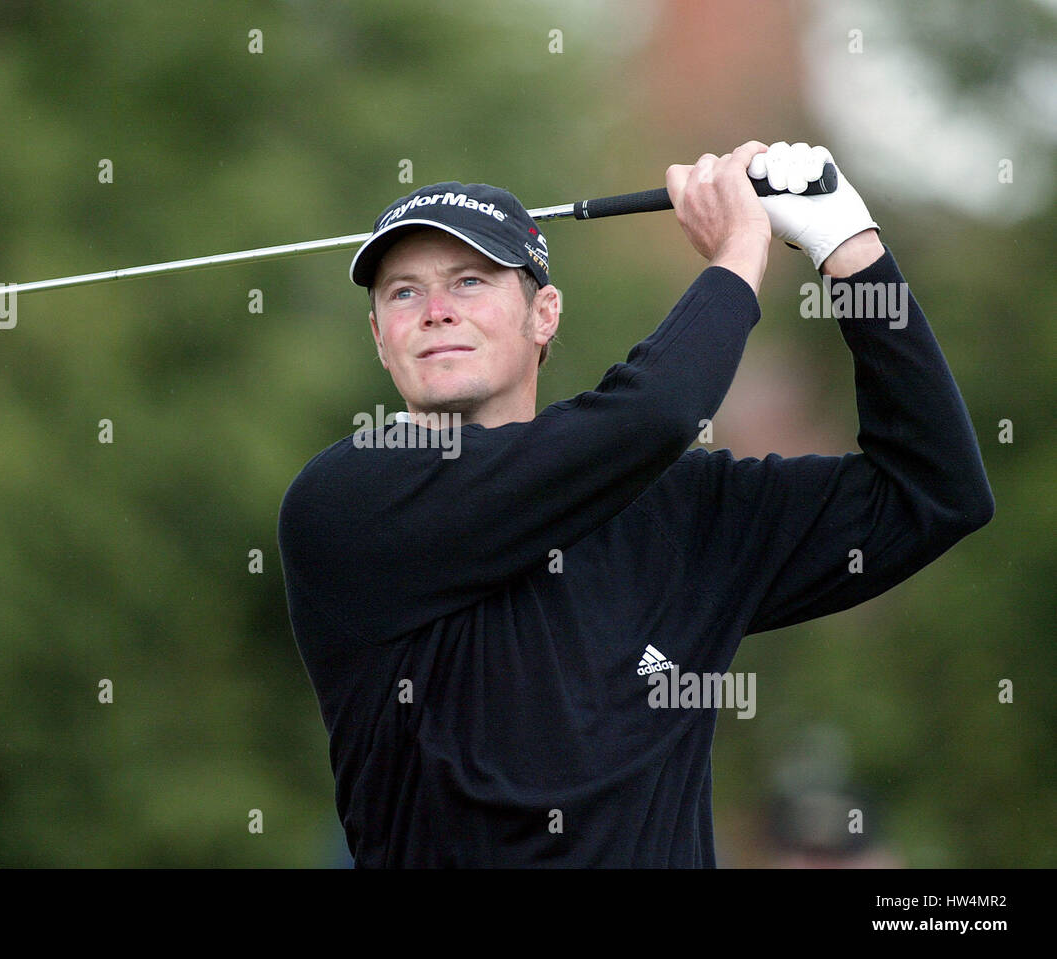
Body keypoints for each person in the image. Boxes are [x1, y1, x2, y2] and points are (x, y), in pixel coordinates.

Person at [276, 140, 994, 867]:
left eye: (469, 281)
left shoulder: (681, 511)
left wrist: (850, 249)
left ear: (543, 314)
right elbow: (653, 415)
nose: (434, 311)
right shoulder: (346, 502)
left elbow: (934, 491)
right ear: (379, 335)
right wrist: (737, 253)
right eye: (403, 292)